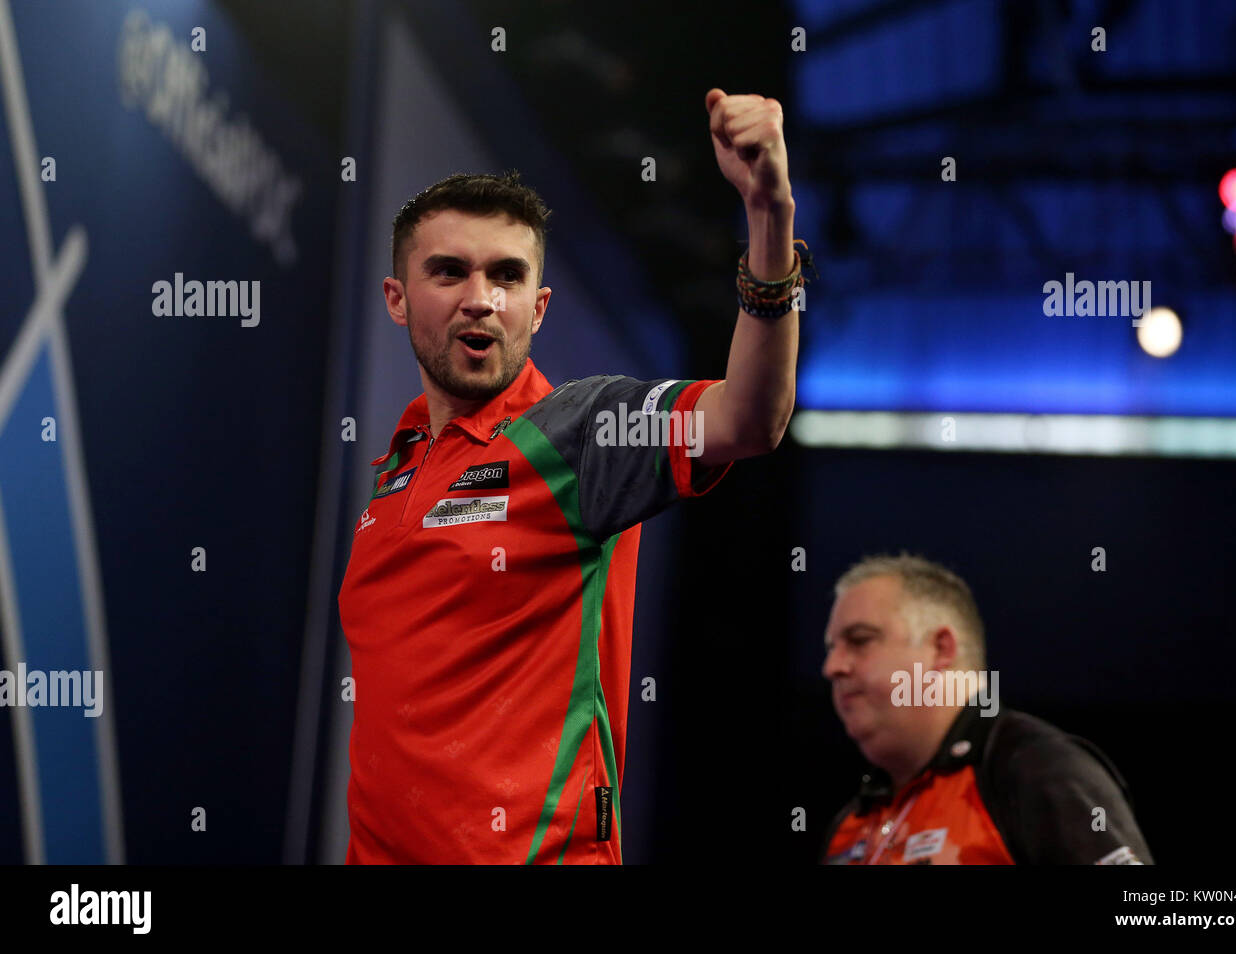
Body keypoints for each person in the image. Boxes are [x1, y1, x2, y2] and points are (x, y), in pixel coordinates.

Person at [338, 89, 804, 863]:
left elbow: (750, 418)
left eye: (507, 277)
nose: (479, 301)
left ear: (539, 307)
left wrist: (770, 215)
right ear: (397, 298)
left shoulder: (580, 433)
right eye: (448, 272)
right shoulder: (398, 462)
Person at [820, 553, 1153, 865]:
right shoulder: (853, 822)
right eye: (831, 648)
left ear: (940, 649)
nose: (832, 666)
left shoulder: (1033, 770)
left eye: (860, 640)